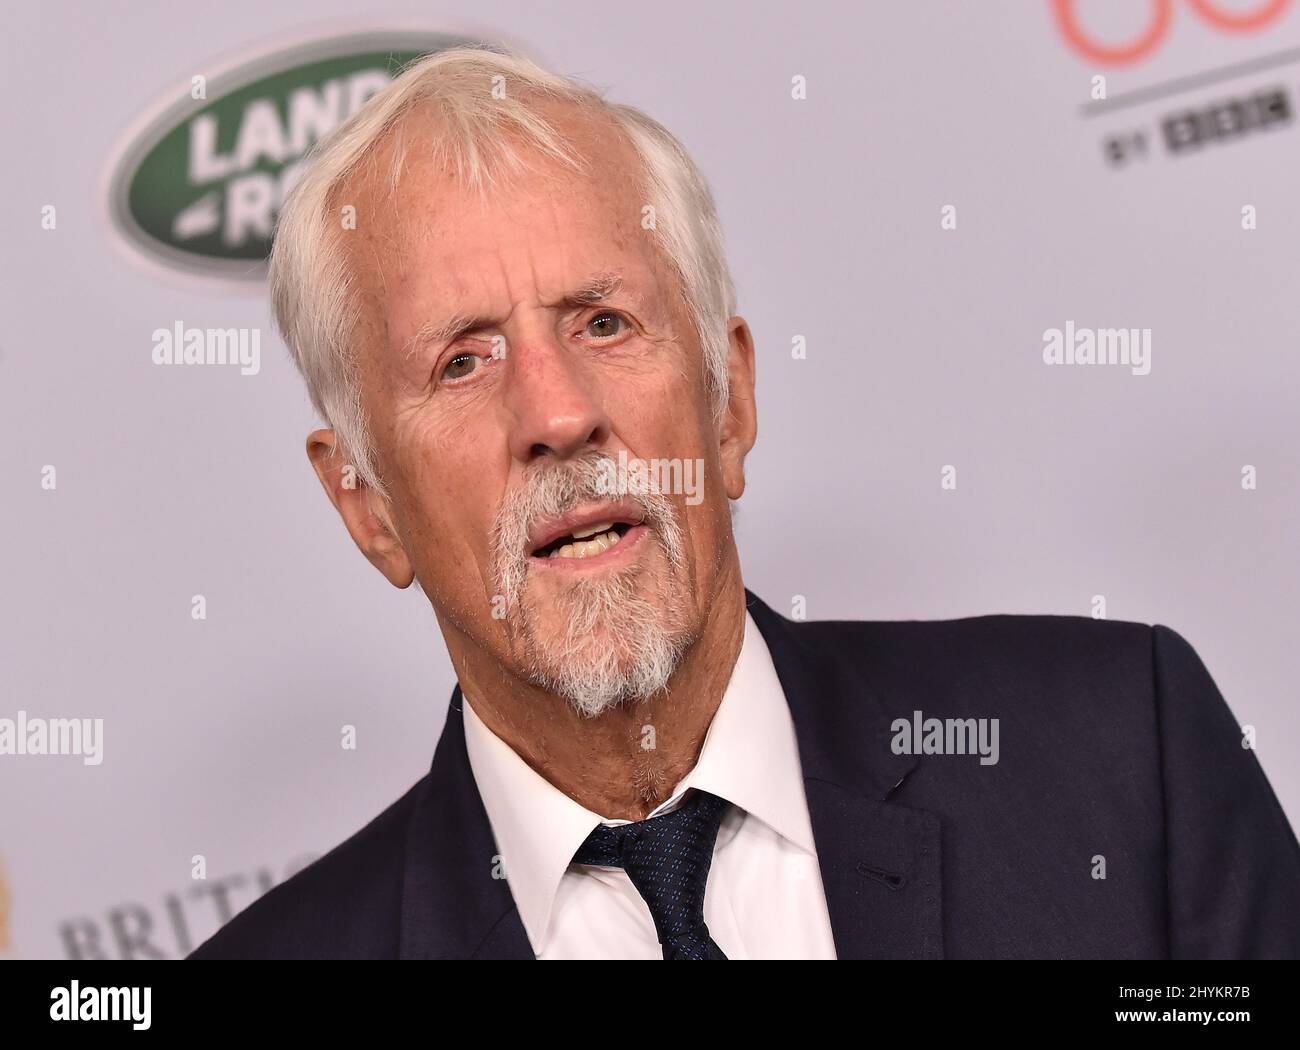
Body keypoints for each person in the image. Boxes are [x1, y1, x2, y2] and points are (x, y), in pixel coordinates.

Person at [190, 47, 1300, 960]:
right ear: (366, 504)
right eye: (463, 363)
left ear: (729, 404)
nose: (559, 415)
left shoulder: (1117, 758)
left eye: (603, 322)